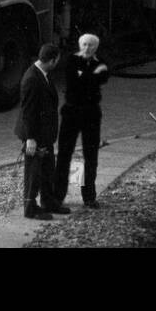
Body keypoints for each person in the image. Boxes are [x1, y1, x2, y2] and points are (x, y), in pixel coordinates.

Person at [53, 33, 110, 209]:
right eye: (84, 44)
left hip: (91, 114)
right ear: (80, 45)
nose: (87, 48)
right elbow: (75, 81)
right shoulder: (71, 60)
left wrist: (84, 75)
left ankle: (89, 196)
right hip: (71, 112)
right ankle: (58, 196)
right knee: (64, 154)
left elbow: (103, 77)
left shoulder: (101, 62)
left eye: (90, 45)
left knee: (91, 155)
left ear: (96, 47)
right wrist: (92, 74)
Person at [15, 43, 69, 220]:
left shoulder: (42, 74)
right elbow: (28, 112)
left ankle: (48, 201)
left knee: (47, 169)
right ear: (52, 60)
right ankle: (30, 208)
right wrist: (30, 138)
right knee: (33, 173)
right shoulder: (32, 79)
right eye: (57, 60)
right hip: (35, 135)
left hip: (44, 134)